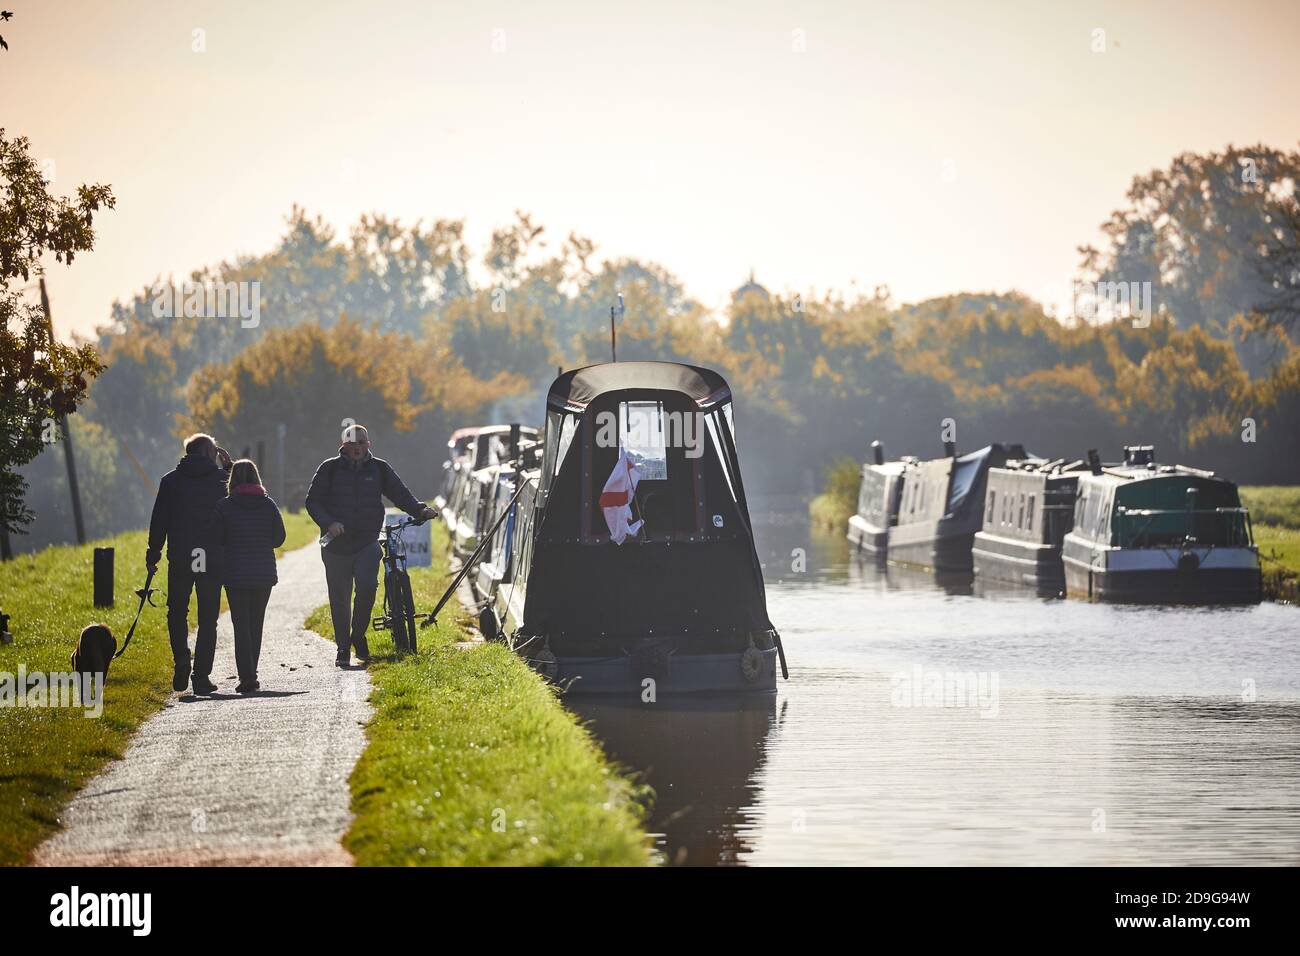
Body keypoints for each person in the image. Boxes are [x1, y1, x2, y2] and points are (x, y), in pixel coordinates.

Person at [304, 424, 435, 667]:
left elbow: (400, 494)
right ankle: (343, 648)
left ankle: (358, 634)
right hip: (335, 546)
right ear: (343, 446)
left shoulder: (379, 469)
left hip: (367, 541)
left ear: (368, 444)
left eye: (361, 443)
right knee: (340, 599)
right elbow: (313, 502)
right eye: (352, 444)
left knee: (367, 588)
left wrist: (419, 509)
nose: (357, 448)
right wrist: (329, 522)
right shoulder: (329, 469)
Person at [146, 433, 231, 694]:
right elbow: (242, 495)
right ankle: (201, 676)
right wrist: (229, 467)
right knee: (207, 618)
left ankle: (182, 659)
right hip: (211, 555)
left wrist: (153, 553)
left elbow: (159, 519)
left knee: (177, 611)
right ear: (207, 452)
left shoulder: (170, 481)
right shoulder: (221, 479)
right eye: (215, 451)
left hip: (181, 555)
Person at [215, 458, 286, 694]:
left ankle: (247, 676)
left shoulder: (224, 506)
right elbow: (279, 538)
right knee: (256, 624)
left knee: (241, 625)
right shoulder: (268, 505)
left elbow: (218, 538)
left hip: (235, 573)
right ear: (257, 477)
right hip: (263, 573)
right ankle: (251, 673)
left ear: (232, 479)